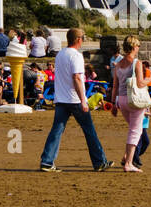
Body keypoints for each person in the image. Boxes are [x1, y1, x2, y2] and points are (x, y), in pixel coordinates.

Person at [39, 28, 112, 173]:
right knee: (89, 130)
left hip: (61, 98)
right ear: (79, 39)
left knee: (57, 130)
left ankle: (47, 161)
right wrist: (83, 100)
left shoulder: (60, 55)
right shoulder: (76, 56)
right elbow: (77, 78)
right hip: (74, 100)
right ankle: (99, 162)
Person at [110, 35, 148, 174]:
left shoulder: (118, 64)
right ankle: (128, 163)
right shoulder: (136, 62)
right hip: (134, 100)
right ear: (134, 47)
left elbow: (115, 86)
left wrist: (114, 104)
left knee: (133, 129)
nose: (138, 48)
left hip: (121, 100)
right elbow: (140, 83)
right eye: (138, 46)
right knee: (135, 132)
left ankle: (127, 158)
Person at [4, 30, 27, 104]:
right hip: (19, 55)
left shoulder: (14, 40)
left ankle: (16, 97)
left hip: (16, 55)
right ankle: (16, 98)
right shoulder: (16, 40)